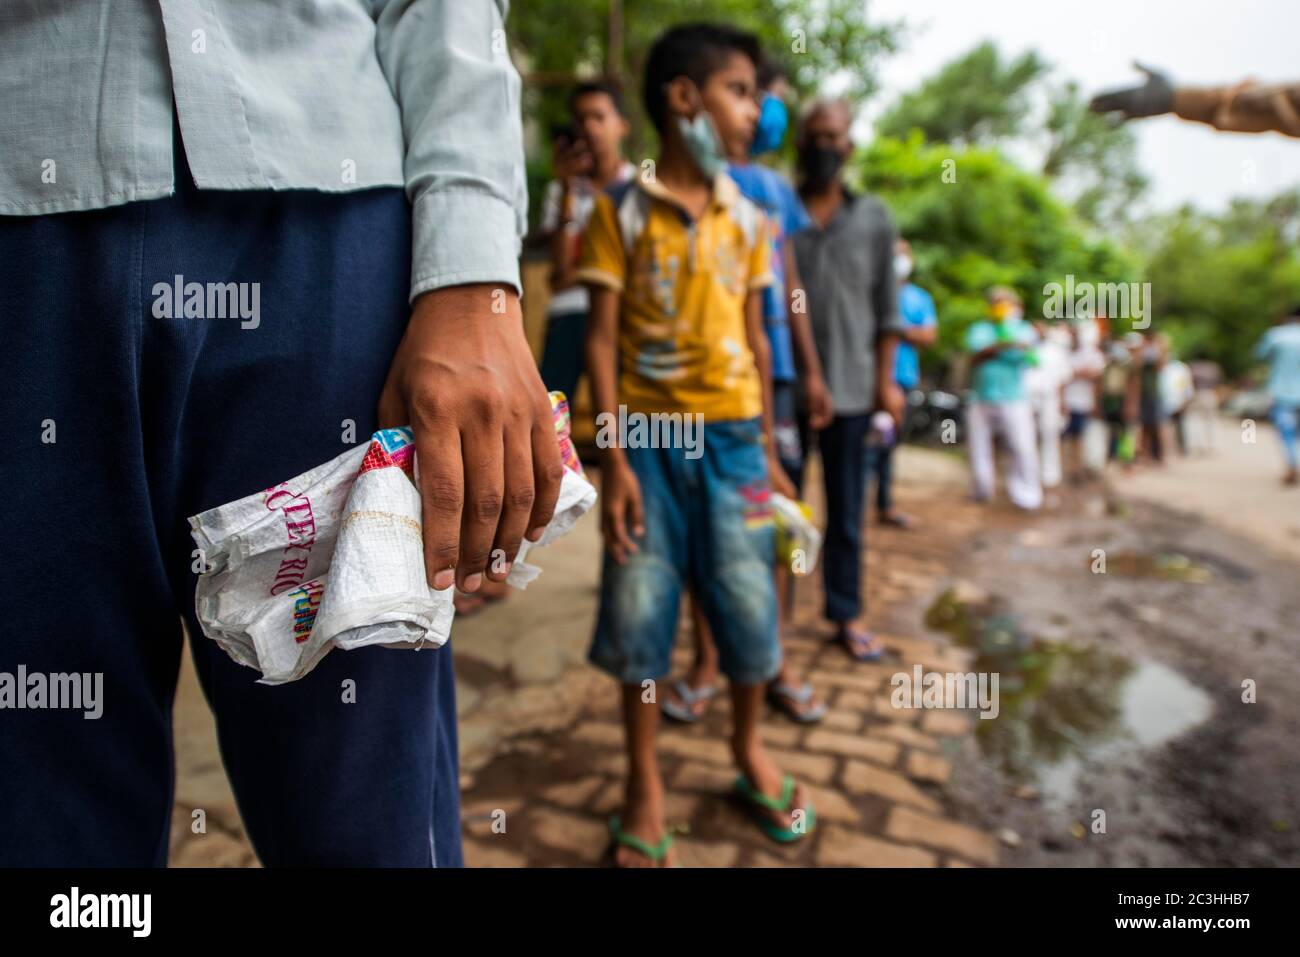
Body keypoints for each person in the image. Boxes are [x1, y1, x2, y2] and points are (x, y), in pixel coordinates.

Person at [0, 1, 560, 867]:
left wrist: (473, 274)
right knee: (42, 820)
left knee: (368, 820)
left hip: (328, 229)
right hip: (22, 217)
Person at [579, 23, 815, 866]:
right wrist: (613, 461)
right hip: (644, 440)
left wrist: (772, 453)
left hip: (738, 446)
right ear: (685, 99)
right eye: (742, 91)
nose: (757, 110)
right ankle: (644, 779)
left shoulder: (752, 221)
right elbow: (601, 342)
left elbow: (758, 337)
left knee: (750, 604)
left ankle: (748, 747)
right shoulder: (621, 213)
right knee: (643, 611)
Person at [661, 54, 834, 725]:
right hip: (707, 386)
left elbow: (791, 290)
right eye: (749, 92)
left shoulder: (772, 189)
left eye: (762, 95)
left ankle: (773, 658)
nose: (760, 108)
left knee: (777, 515)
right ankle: (709, 660)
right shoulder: (682, 183)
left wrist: (811, 369)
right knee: (709, 524)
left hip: (777, 377)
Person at [791, 98, 905, 662]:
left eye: (835, 137)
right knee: (782, 509)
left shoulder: (875, 218)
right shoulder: (777, 212)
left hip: (856, 390)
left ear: (850, 146)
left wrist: (888, 383)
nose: (825, 146)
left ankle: (845, 611)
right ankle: (773, 625)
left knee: (847, 511)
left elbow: (889, 310)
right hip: (785, 392)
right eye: (816, 135)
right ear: (799, 142)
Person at [538, 82, 635, 404]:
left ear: (622, 125)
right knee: (550, 400)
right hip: (571, 312)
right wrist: (567, 190)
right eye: (581, 119)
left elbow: (568, 276)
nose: (590, 127)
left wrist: (577, 274)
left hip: (624, 313)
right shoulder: (562, 191)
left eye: (599, 116)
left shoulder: (639, 188)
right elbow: (561, 274)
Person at [867, 237, 938, 529]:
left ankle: (885, 504)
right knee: (866, 444)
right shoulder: (871, 292)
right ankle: (856, 506)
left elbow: (929, 336)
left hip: (903, 379)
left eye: (903, 254)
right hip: (869, 380)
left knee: (889, 444)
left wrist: (893, 330)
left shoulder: (919, 298)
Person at [964, 287, 1042, 510]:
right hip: (981, 396)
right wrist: (1006, 344)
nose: (1001, 307)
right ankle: (981, 490)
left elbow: (1032, 358)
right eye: (997, 303)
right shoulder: (980, 329)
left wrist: (1009, 343)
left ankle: (1027, 494)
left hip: (1014, 398)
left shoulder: (1024, 329)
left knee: (1022, 446)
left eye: (1005, 303)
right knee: (978, 446)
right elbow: (976, 356)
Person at [1091, 65, 1300, 138]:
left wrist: (1230, 97)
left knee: (1102, 106)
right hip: (1171, 96)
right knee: (1101, 104)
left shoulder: (1267, 120)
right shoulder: (1269, 94)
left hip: (1168, 100)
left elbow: (1224, 122)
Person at [1025, 320, 1072, 490]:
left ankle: (1050, 476)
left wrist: (1063, 403)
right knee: (1027, 436)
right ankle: (1029, 472)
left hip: (1050, 398)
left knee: (1050, 435)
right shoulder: (1026, 349)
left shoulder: (1056, 352)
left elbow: (1063, 380)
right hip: (1026, 398)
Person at [1256, 306, 1300, 486]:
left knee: (1286, 431)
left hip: (1282, 392)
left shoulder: (1276, 335)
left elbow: (1260, 355)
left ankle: (1291, 462)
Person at [1061, 317, 1106, 479]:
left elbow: (1096, 375)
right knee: (1066, 437)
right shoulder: (1064, 352)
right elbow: (1063, 377)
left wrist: (1077, 373)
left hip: (1084, 402)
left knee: (1080, 437)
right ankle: (1068, 468)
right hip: (1068, 402)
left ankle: (1078, 468)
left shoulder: (1092, 353)